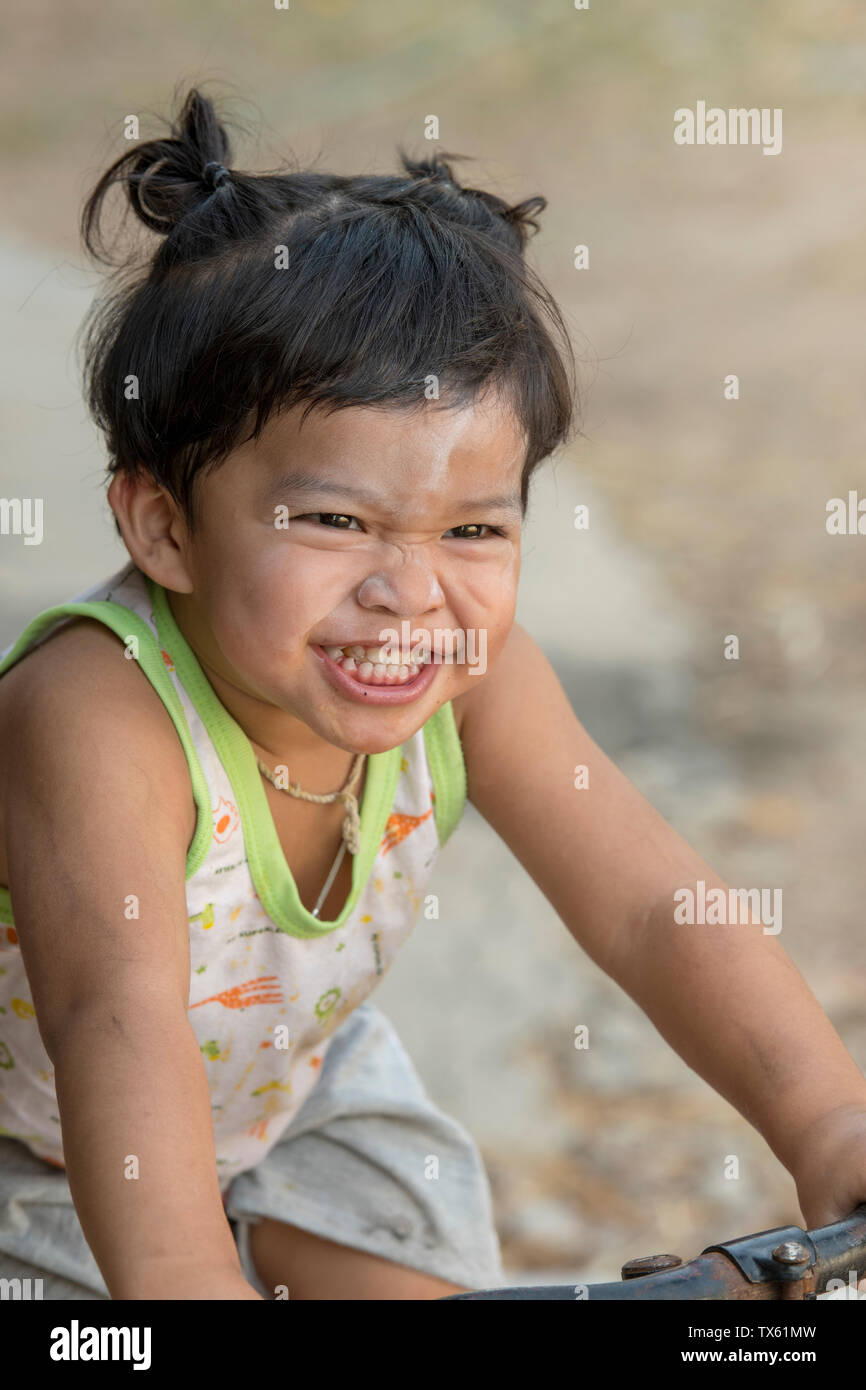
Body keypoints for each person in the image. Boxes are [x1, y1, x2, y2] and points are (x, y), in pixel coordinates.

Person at [1, 86, 864, 1302]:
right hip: (43, 1145)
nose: (408, 593)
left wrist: (826, 1119)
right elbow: (116, 1025)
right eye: (336, 520)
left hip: (294, 1097)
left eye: (470, 527)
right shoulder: (98, 711)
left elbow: (648, 907)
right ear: (164, 525)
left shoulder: (473, 678)